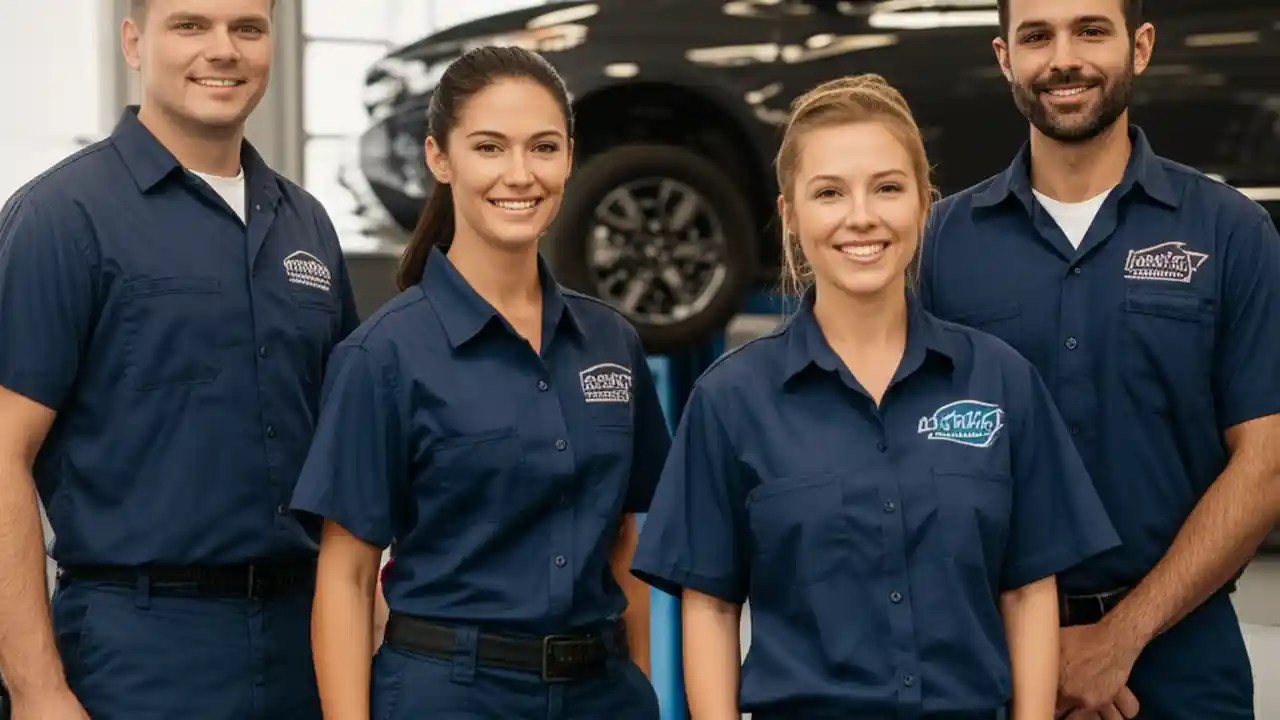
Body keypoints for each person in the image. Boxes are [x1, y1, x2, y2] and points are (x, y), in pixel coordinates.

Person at [629, 73, 1120, 720]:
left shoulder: (1001, 383)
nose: (861, 217)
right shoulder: (729, 401)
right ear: (791, 214)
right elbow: (712, 608)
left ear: (924, 204)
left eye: (887, 188)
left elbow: (1029, 593)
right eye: (829, 193)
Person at [918, 0, 1280, 718]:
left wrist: (1120, 636)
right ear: (1004, 58)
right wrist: (1030, 645)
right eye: (1036, 36)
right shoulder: (939, 246)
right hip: (987, 658)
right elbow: (903, 462)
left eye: (1090, 30)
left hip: (1183, 657)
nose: (1063, 59)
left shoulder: (1232, 232)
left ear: (1139, 47)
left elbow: (1266, 463)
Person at [289, 45, 670, 720]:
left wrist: (637, 683)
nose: (519, 174)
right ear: (441, 159)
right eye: (490, 148)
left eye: (543, 148)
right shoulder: (383, 356)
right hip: (450, 695)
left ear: (569, 157)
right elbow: (346, 579)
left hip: (603, 696)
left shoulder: (613, 344)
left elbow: (622, 543)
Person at [0, 0, 357, 717]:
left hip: (303, 643)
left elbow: (350, 450)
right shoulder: (62, 217)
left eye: (247, 29)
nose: (222, 49)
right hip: (137, 651)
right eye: (190, 25)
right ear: (134, 43)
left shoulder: (307, 224)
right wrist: (36, 687)